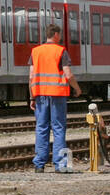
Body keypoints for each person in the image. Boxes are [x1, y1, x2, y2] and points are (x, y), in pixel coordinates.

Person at [29, 23, 83, 172]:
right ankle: (60, 165)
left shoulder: (35, 51)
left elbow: (31, 76)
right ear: (56, 35)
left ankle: (39, 164)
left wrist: (32, 97)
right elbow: (68, 74)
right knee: (58, 128)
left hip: (40, 95)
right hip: (57, 94)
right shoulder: (61, 51)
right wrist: (77, 89)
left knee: (41, 128)